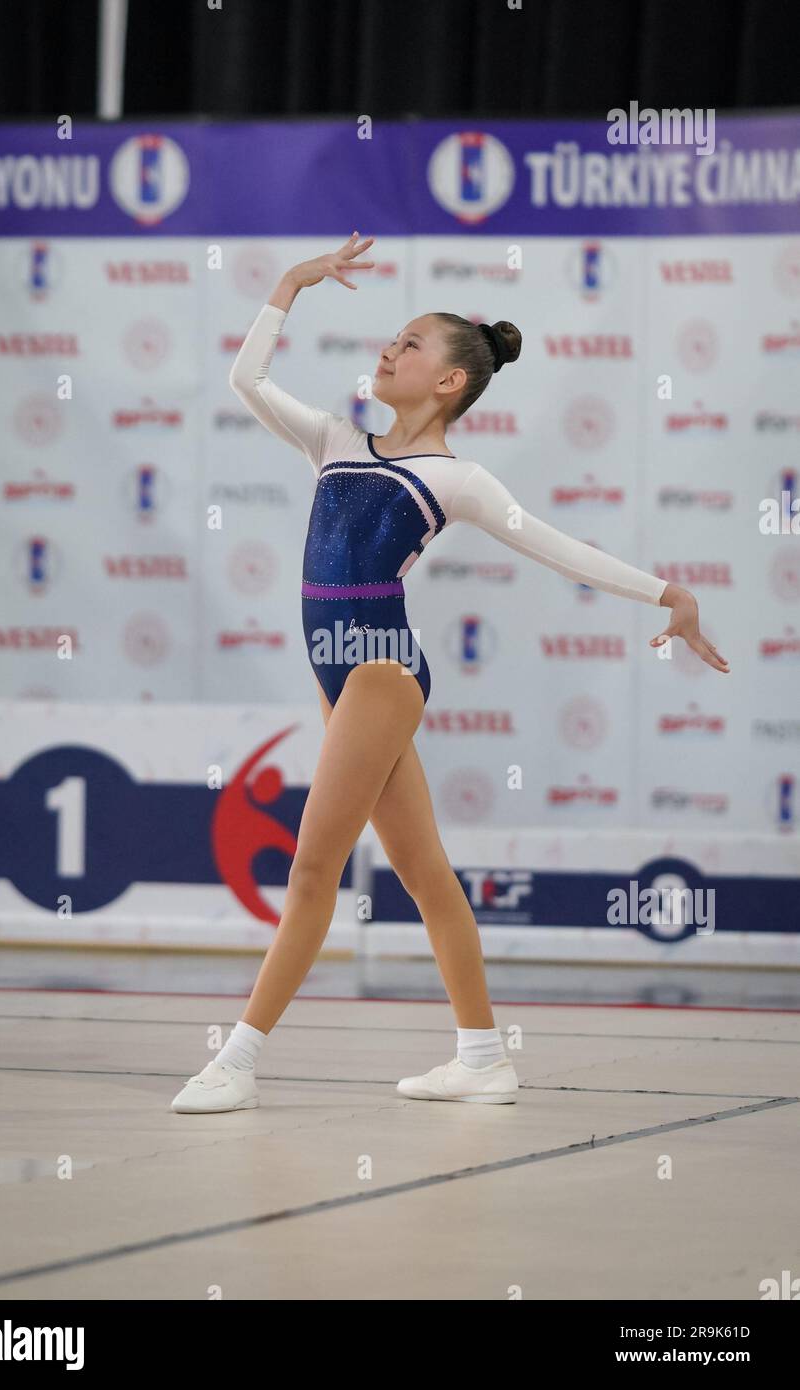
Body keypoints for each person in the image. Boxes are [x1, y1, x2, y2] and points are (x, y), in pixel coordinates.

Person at [171, 232, 729, 1113]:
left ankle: (236, 1059)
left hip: (381, 669)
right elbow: (245, 381)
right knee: (423, 869)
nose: (388, 348)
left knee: (314, 866)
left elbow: (560, 549)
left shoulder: (455, 478)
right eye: (390, 337)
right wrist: (287, 286)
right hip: (336, 670)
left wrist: (669, 593)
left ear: (448, 382)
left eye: (411, 343)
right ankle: (481, 1055)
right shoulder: (332, 440)